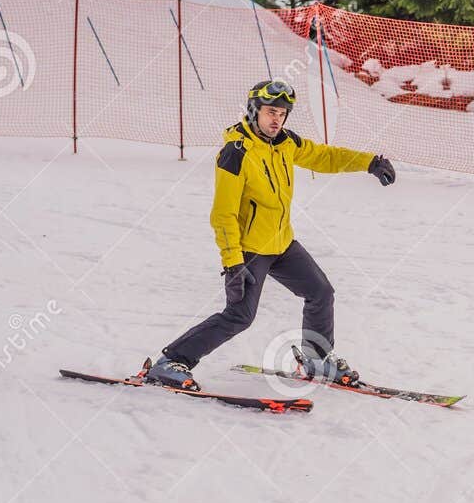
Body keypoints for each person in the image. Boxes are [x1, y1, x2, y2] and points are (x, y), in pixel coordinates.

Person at [146, 78, 397, 391]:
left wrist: (369, 162)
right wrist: (233, 262)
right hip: (250, 249)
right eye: (270, 112)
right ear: (254, 112)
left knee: (321, 293)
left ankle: (316, 358)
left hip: (282, 243)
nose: (276, 118)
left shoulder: (285, 143)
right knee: (239, 315)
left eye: (281, 113)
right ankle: (172, 361)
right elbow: (222, 214)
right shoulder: (236, 153)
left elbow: (323, 156)